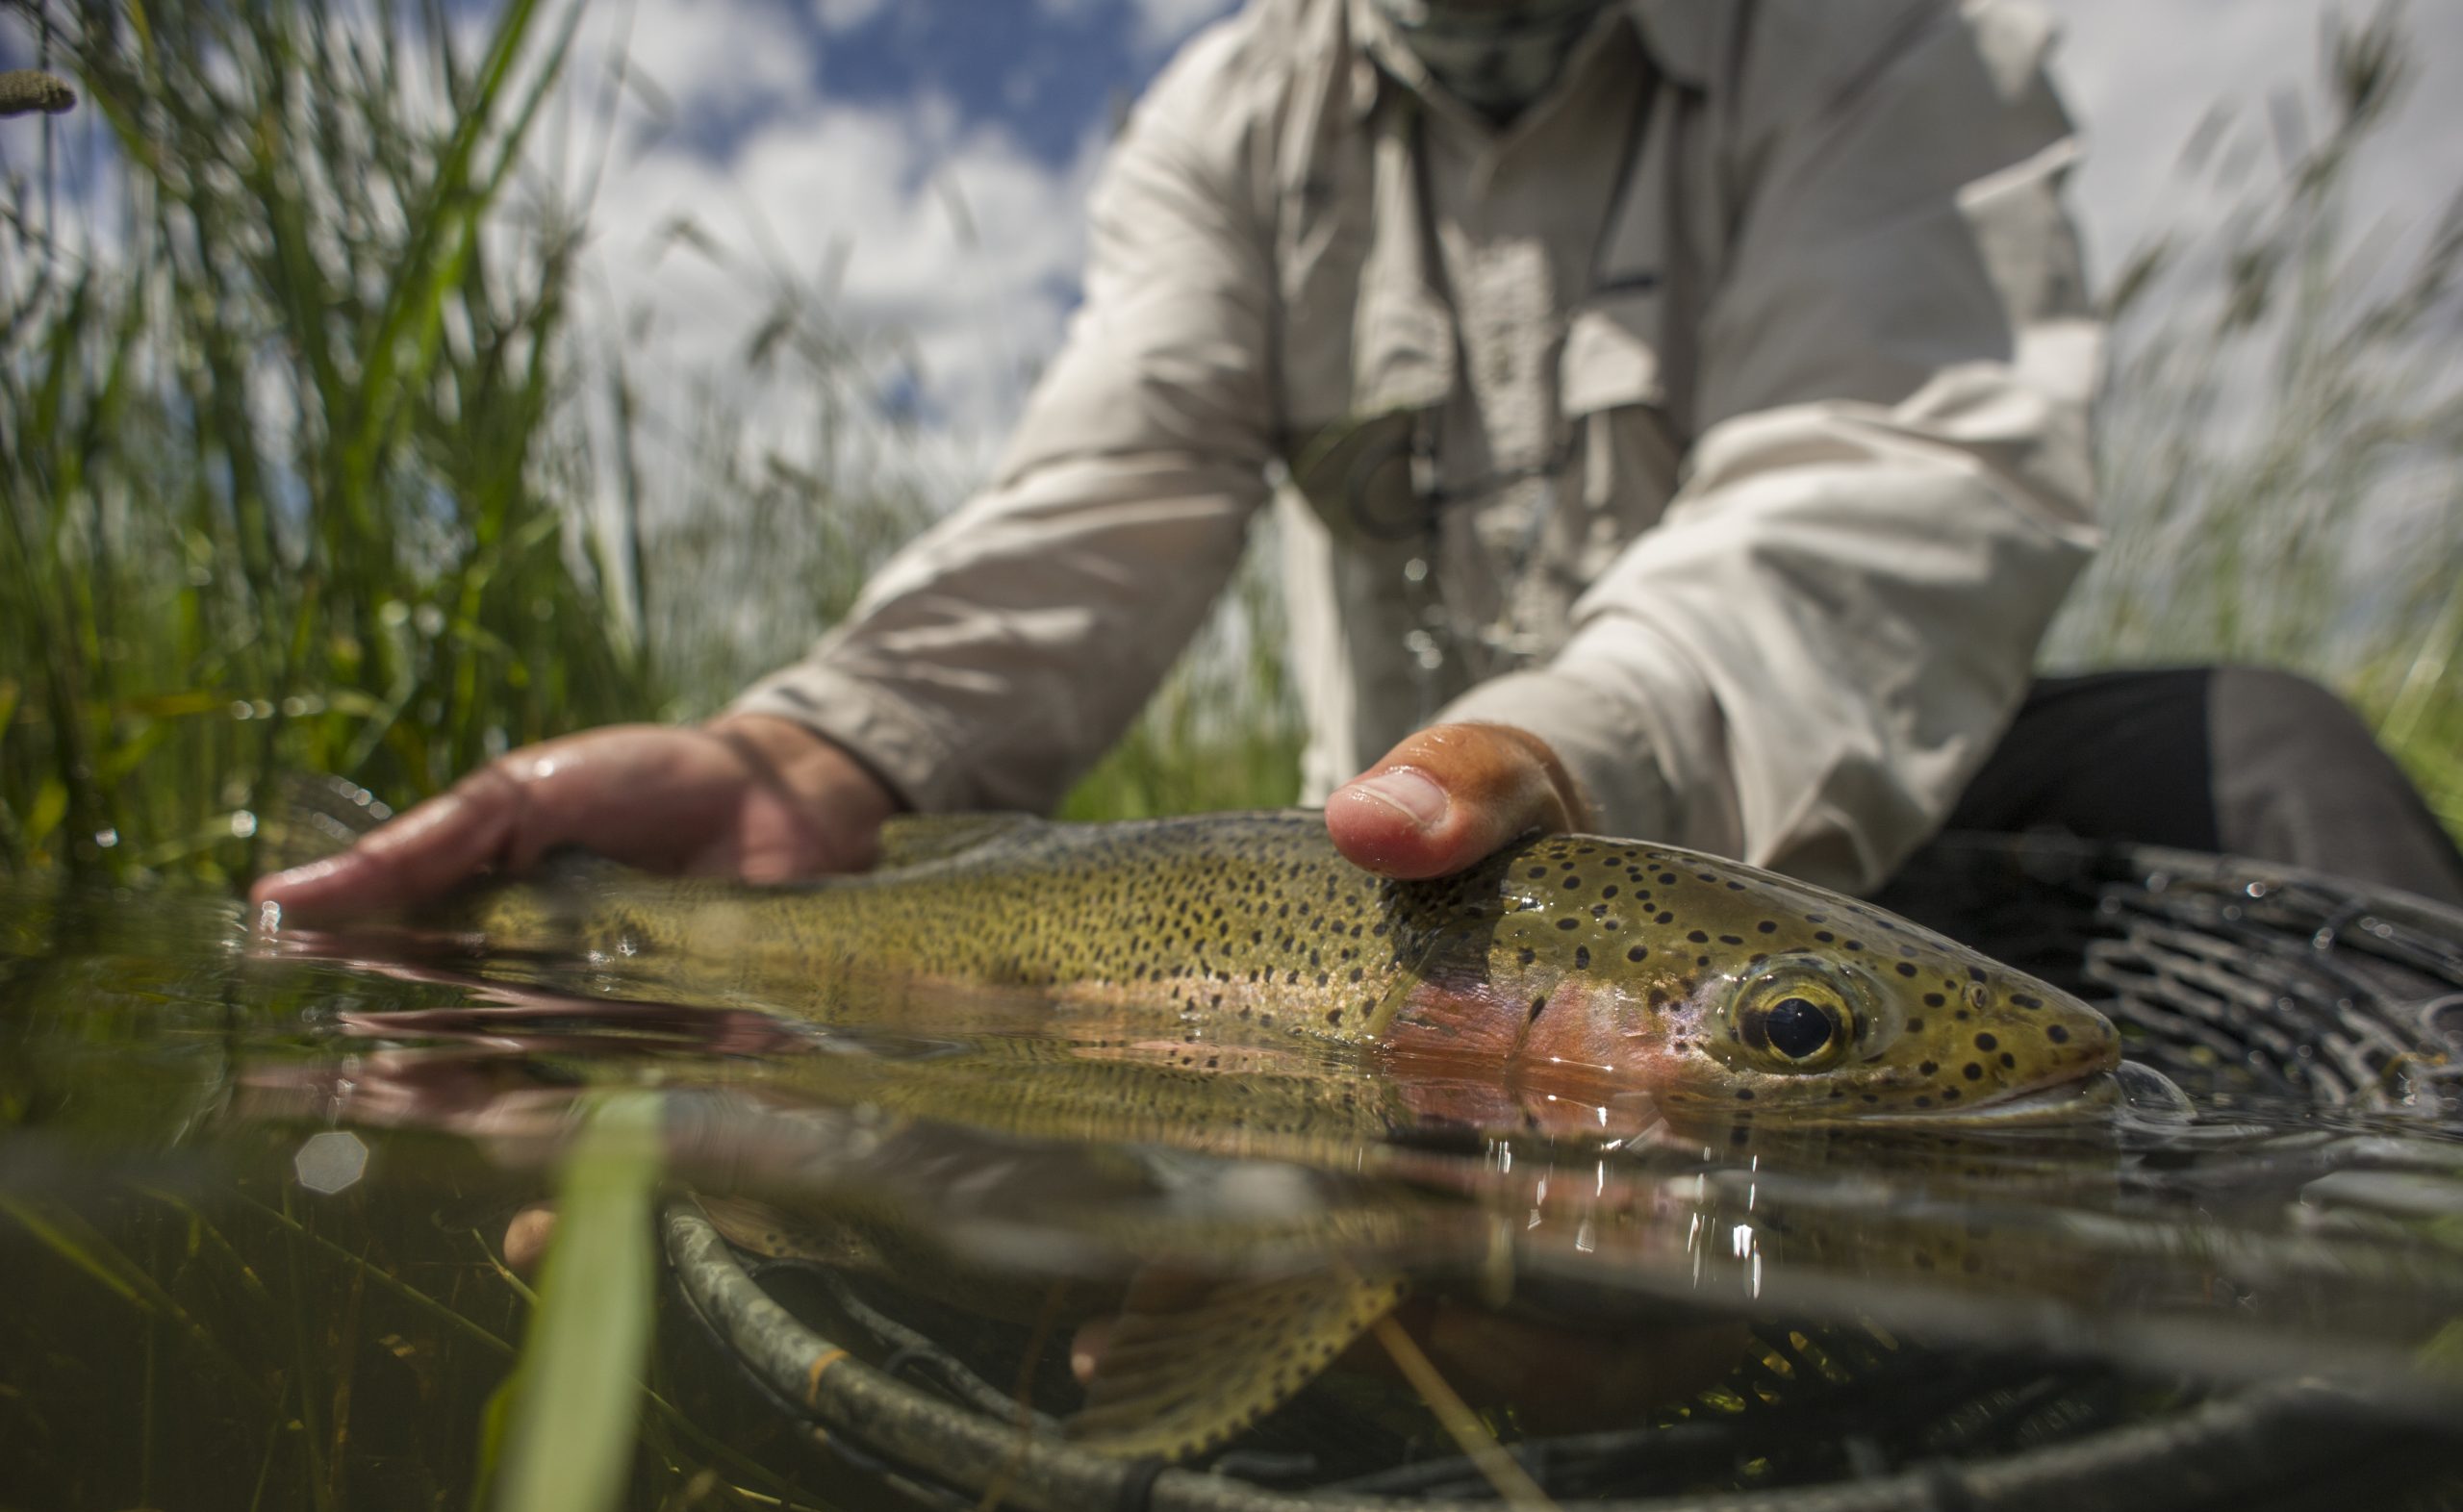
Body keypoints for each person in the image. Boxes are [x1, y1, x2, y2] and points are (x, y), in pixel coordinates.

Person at [256, 0, 2463, 926]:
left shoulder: (1871, 42)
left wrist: (1574, 747)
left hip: (1845, 803)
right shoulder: (1230, 118)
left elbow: (1876, 485)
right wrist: (819, 752)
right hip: (1387, 874)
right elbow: (1104, 490)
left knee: (2268, 756)